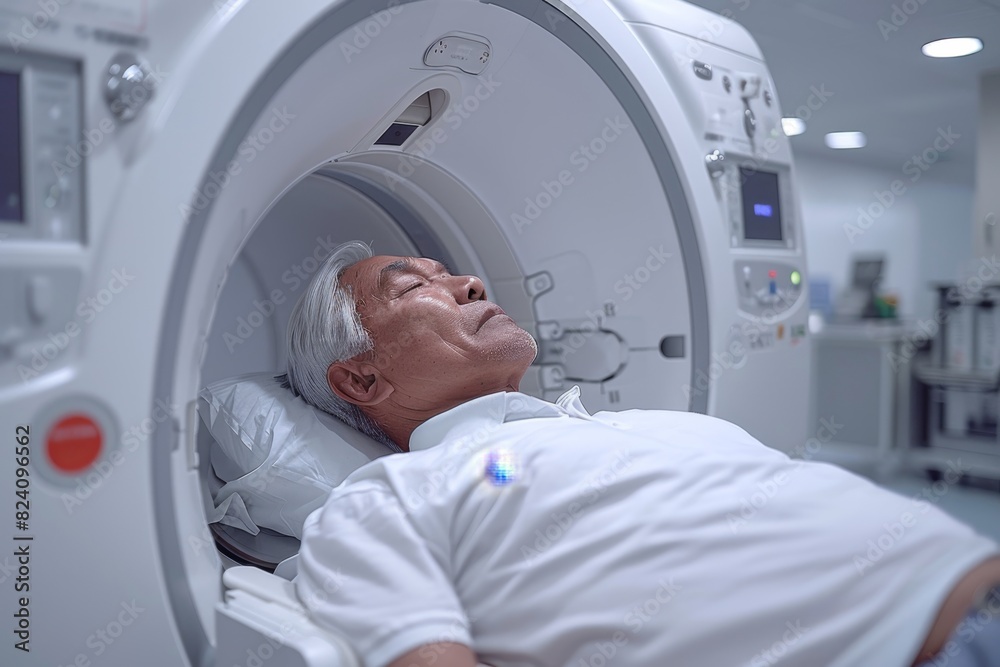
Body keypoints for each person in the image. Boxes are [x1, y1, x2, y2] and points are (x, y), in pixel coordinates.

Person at [282, 241, 1000, 667]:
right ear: (363, 377)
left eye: (449, 272)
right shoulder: (388, 497)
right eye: (415, 285)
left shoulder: (639, 426)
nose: (468, 282)